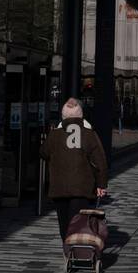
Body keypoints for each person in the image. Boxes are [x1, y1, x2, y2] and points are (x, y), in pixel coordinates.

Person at [39, 98, 108, 242]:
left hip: (59, 187)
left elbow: (43, 152)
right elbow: (100, 161)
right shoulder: (89, 134)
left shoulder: (54, 135)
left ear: (63, 117)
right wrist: (101, 185)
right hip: (82, 188)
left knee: (64, 223)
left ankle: (67, 249)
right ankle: (77, 250)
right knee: (77, 222)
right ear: (81, 116)